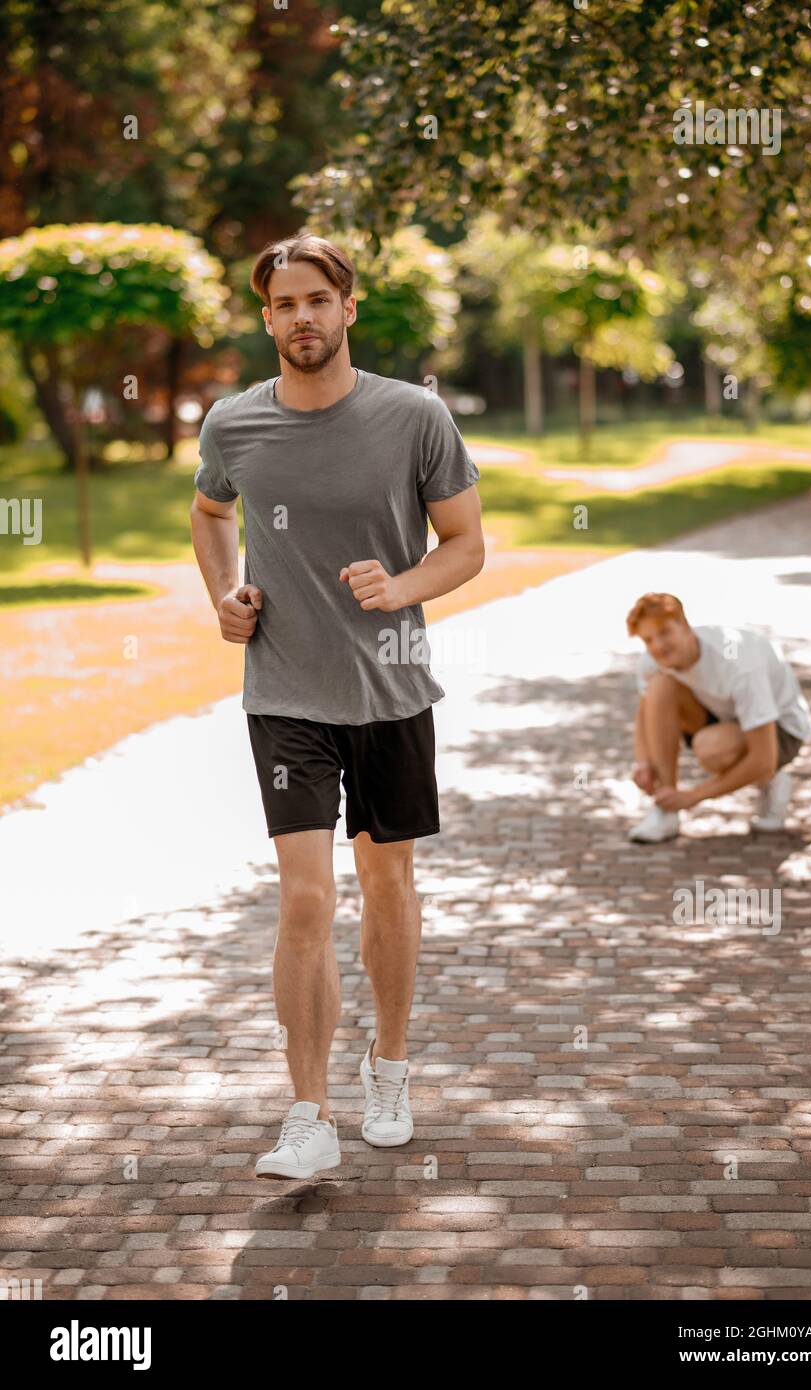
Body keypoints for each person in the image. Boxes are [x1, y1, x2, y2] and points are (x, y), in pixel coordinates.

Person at [190, 233, 484, 1180]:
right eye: (283, 305)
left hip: (391, 689)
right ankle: (307, 1112)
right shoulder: (233, 425)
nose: (302, 318)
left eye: (318, 300)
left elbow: (467, 543)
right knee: (306, 899)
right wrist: (223, 595)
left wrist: (399, 588)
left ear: (348, 307)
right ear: (266, 317)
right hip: (286, 693)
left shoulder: (414, 416)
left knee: (387, 886)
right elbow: (208, 512)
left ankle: (388, 1069)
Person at [625, 592, 811, 843]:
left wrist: (692, 797)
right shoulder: (652, 661)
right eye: (648, 639)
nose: (658, 646)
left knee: (712, 748)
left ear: (683, 623)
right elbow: (645, 713)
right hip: (724, 717)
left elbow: (763, 758)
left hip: (782, 731)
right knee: (659, 687)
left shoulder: (738, 662)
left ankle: (772, 780)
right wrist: (643, 762)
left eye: (664, 632)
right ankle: (665, 810)